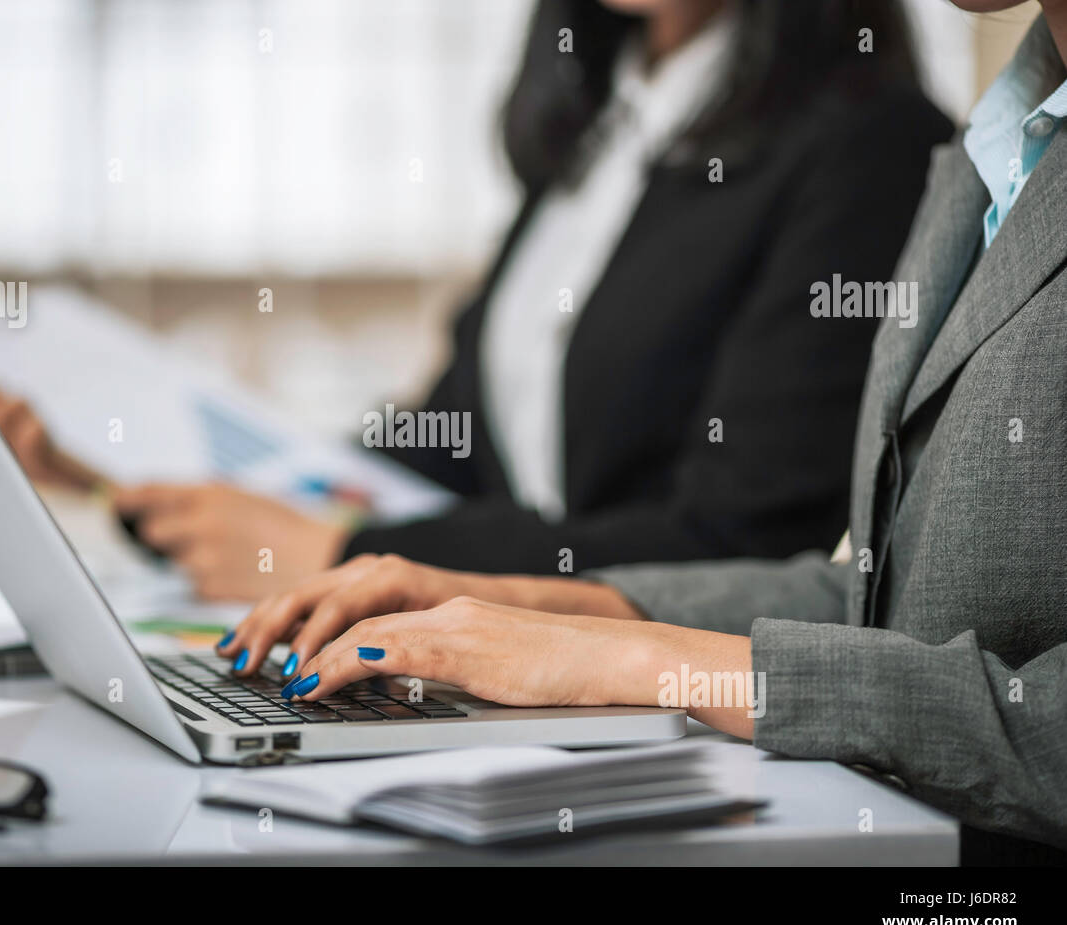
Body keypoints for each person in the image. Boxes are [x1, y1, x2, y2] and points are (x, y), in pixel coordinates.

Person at [225, 4, 1067, 861]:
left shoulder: (878, 138)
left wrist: (634, 658)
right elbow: (882, 605)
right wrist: (539, 609)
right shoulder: (996, 147)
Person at [0, 0, 950, 600]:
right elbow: (444, 450)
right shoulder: (603, 126)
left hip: (674, 717)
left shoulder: (867, 143)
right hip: (510, 690)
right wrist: (123, 476)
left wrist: (351, 553)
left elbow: (740, 537)